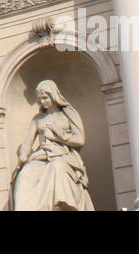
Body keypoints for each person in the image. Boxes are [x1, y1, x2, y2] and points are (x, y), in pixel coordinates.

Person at [12, 79, 94, 211]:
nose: (43, 102)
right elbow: (28, 142)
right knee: (25, 174)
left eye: (45, 98)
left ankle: (61, 204)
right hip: (41, 156)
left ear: (53, 95)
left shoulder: (67, 114)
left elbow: (80, 140)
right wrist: (23, 153)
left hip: (63, 155)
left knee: (57, 166)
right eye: (40, 99)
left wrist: (60, 137)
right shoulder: (38, 119)